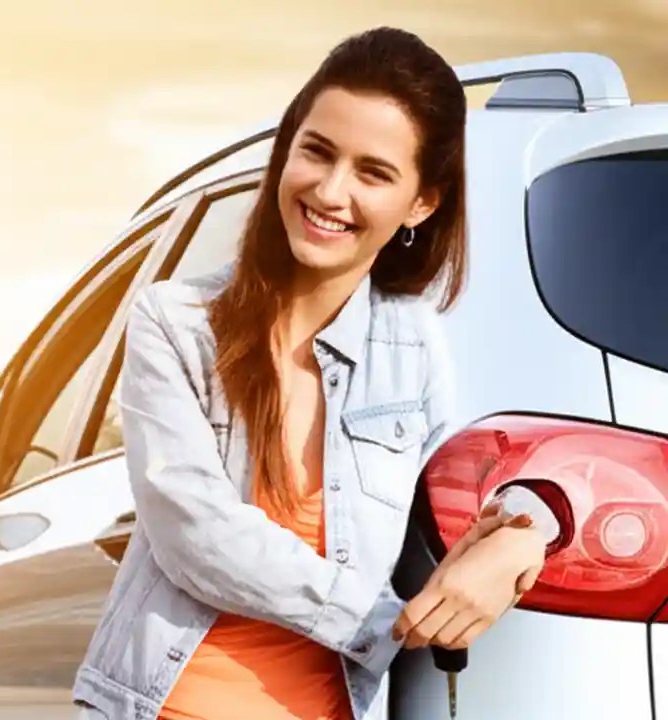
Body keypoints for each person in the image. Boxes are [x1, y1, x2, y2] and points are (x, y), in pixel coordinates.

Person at [71, 27, 562, 720]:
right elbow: (195, 537)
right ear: (286, 152)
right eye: (318, 152)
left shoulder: (414, 345)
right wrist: (387, 625)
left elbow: (475, 484)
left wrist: (521, 536)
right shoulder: (175, 324)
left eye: (374, 173)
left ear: (423, 202)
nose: (331, 191)